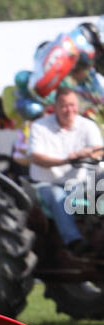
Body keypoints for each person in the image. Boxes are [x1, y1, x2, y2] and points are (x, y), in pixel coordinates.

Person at [28, 87, 104, 253]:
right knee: (58, 196)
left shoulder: (87, 126)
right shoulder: (39, 127)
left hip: (80, 183)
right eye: (64, 106)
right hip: (47, 183)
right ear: (54, 107)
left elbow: (100, 150)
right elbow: (35, 157)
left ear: (77, 106)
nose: (69, 110)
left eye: (72, 105)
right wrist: (66, 160)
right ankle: (74, 242)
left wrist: (89, 153)